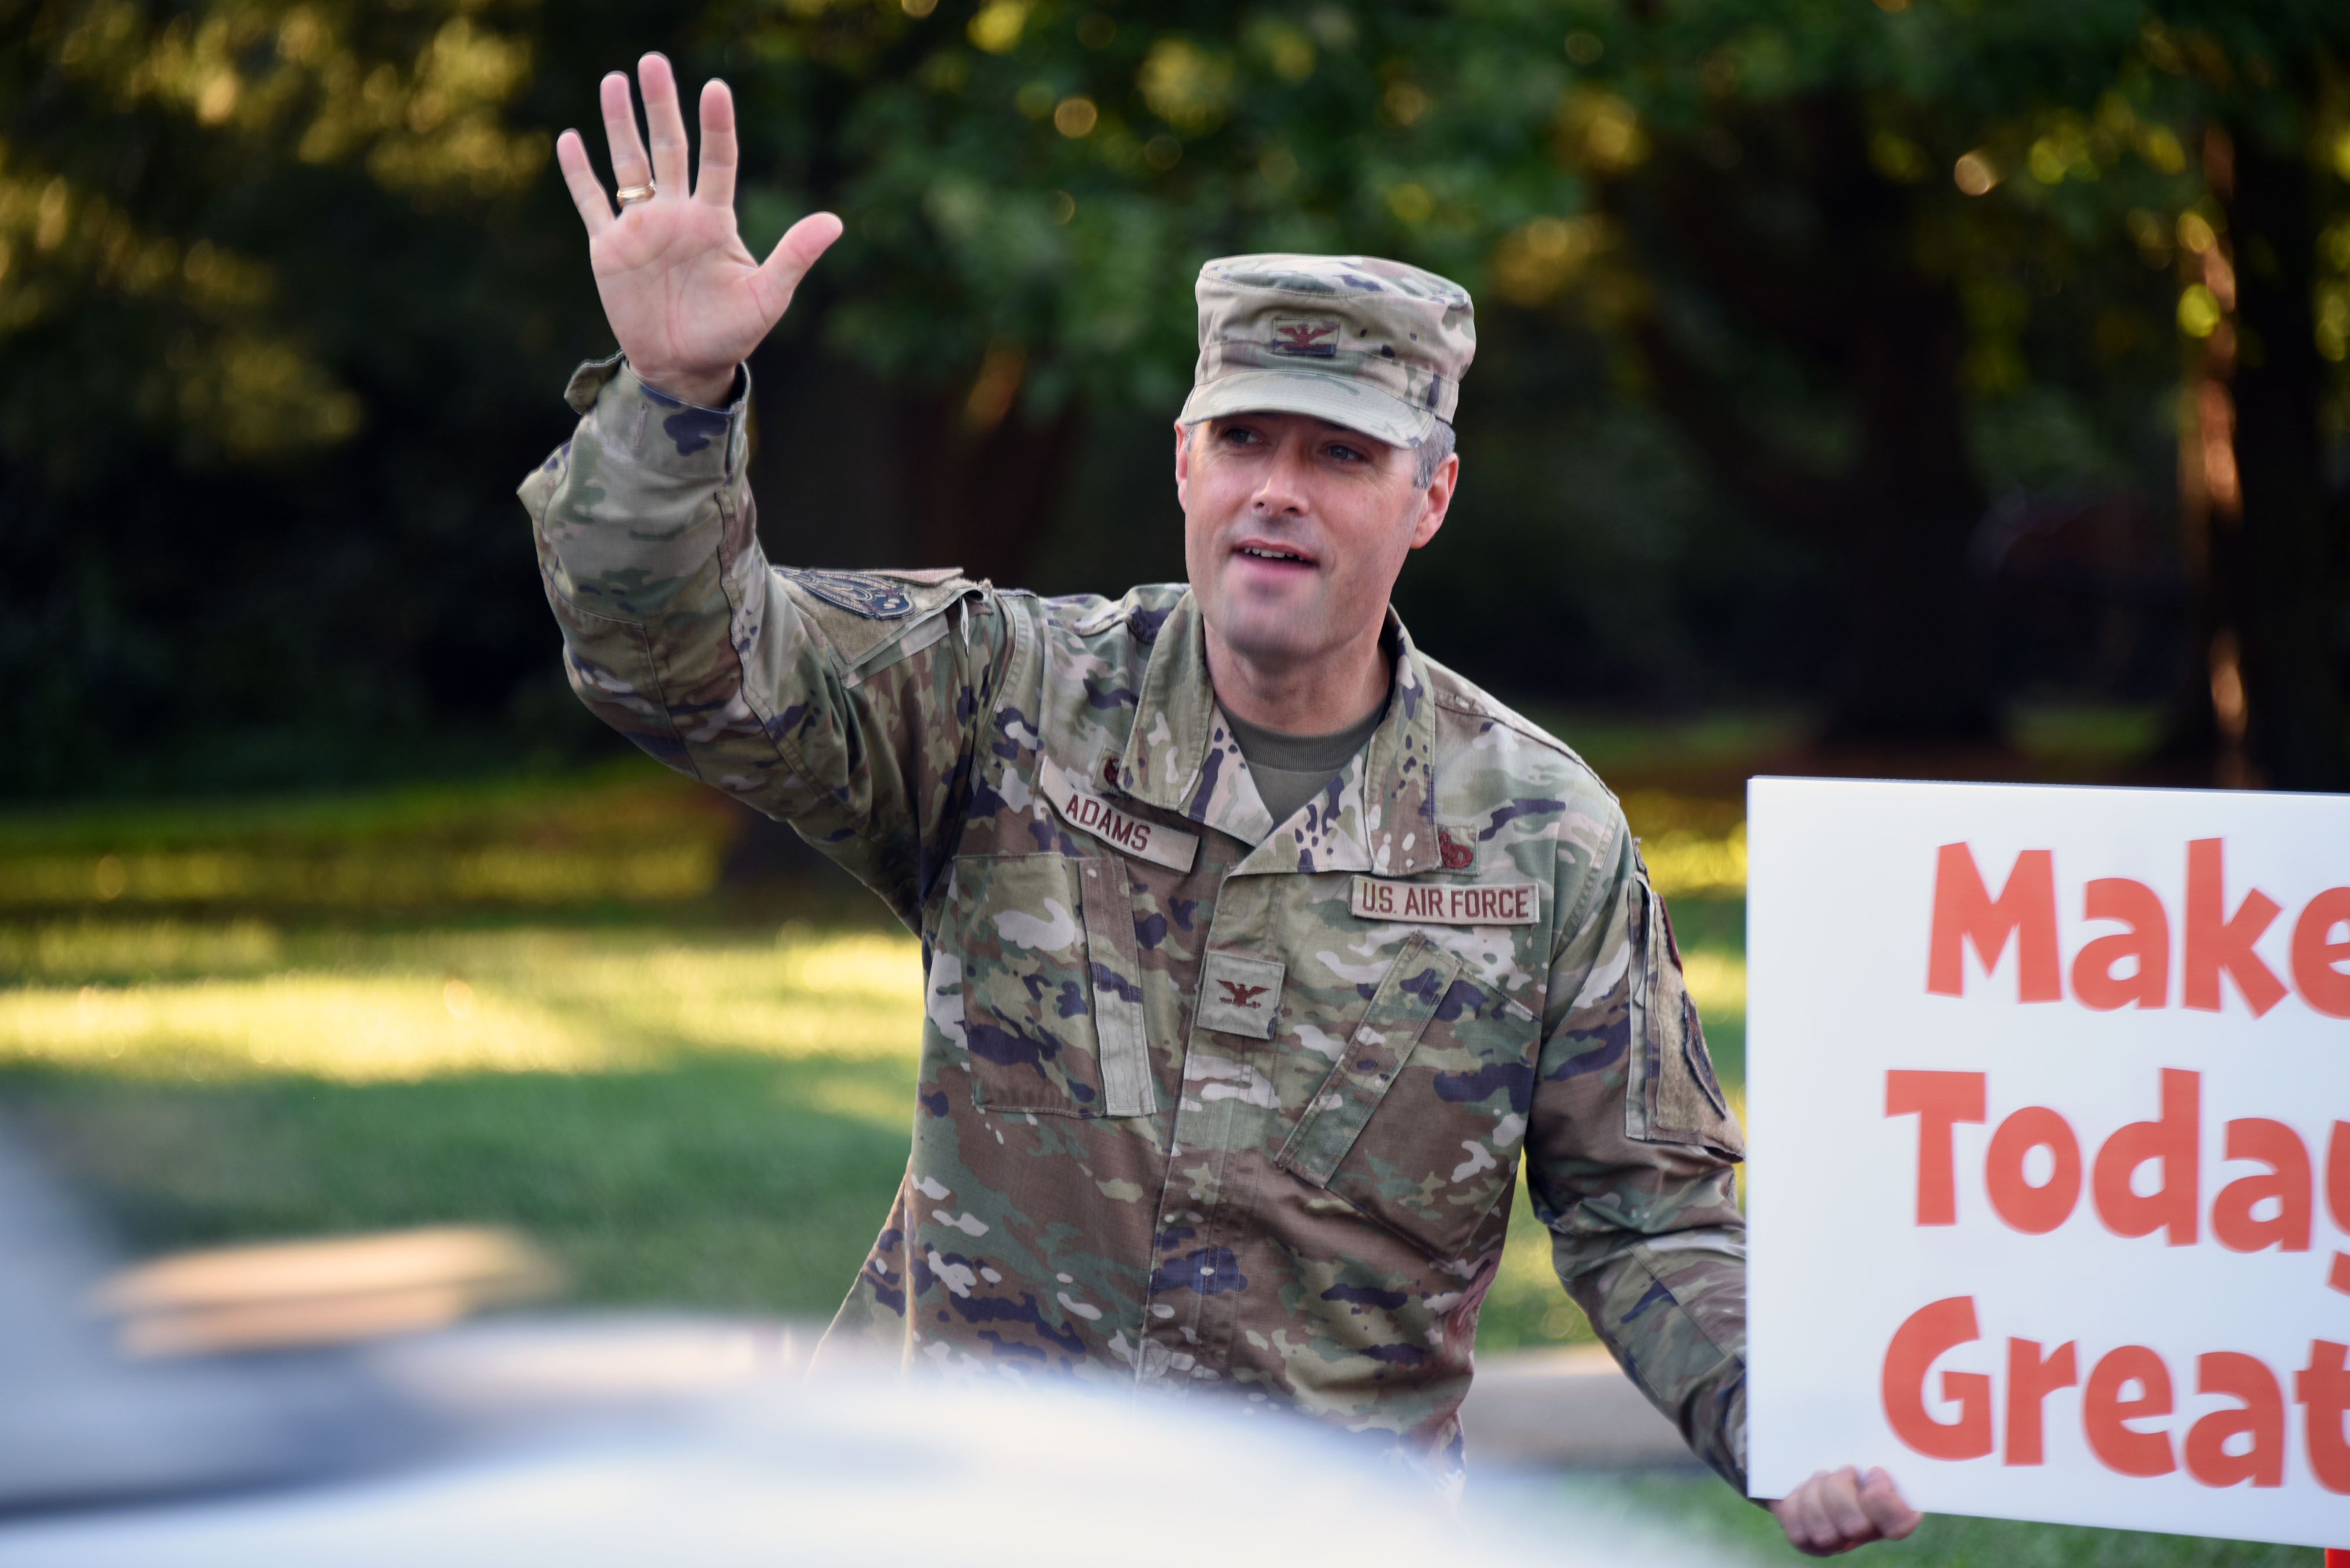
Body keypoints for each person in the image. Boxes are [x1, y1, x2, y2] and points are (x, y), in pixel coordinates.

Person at [527, 53, 1923, 1557]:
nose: (1280, 490)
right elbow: (672, 662)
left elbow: (1648, 1209)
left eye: (1341, 455)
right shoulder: (1005, 696)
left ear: (1430, 499)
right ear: (1185, 457)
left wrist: (1776, 1412)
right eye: (1247, 439)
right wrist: (676, 398)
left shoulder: (1541, 833)